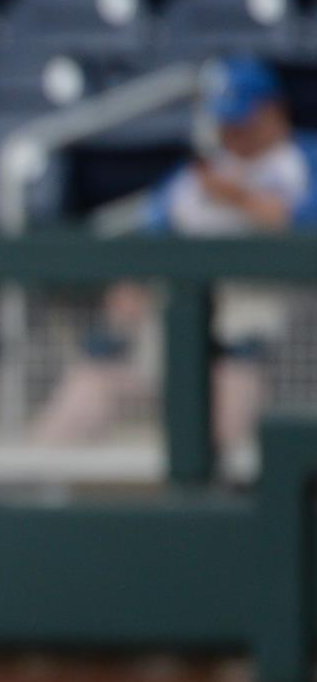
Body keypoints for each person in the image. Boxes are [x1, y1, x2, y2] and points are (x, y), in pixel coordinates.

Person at [30, 56, 317, 468]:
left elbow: (304, 227)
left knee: (227, 414)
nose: (231, 130)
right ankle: (37, 494)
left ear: (272, 110)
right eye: (224, 119)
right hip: (174, 337)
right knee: (88, 386)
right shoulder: (200, 174)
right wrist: (131, 288)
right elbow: (150, 236)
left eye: (242, 117)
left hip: (266, 351)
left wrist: (240, 199)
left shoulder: (304, 160)